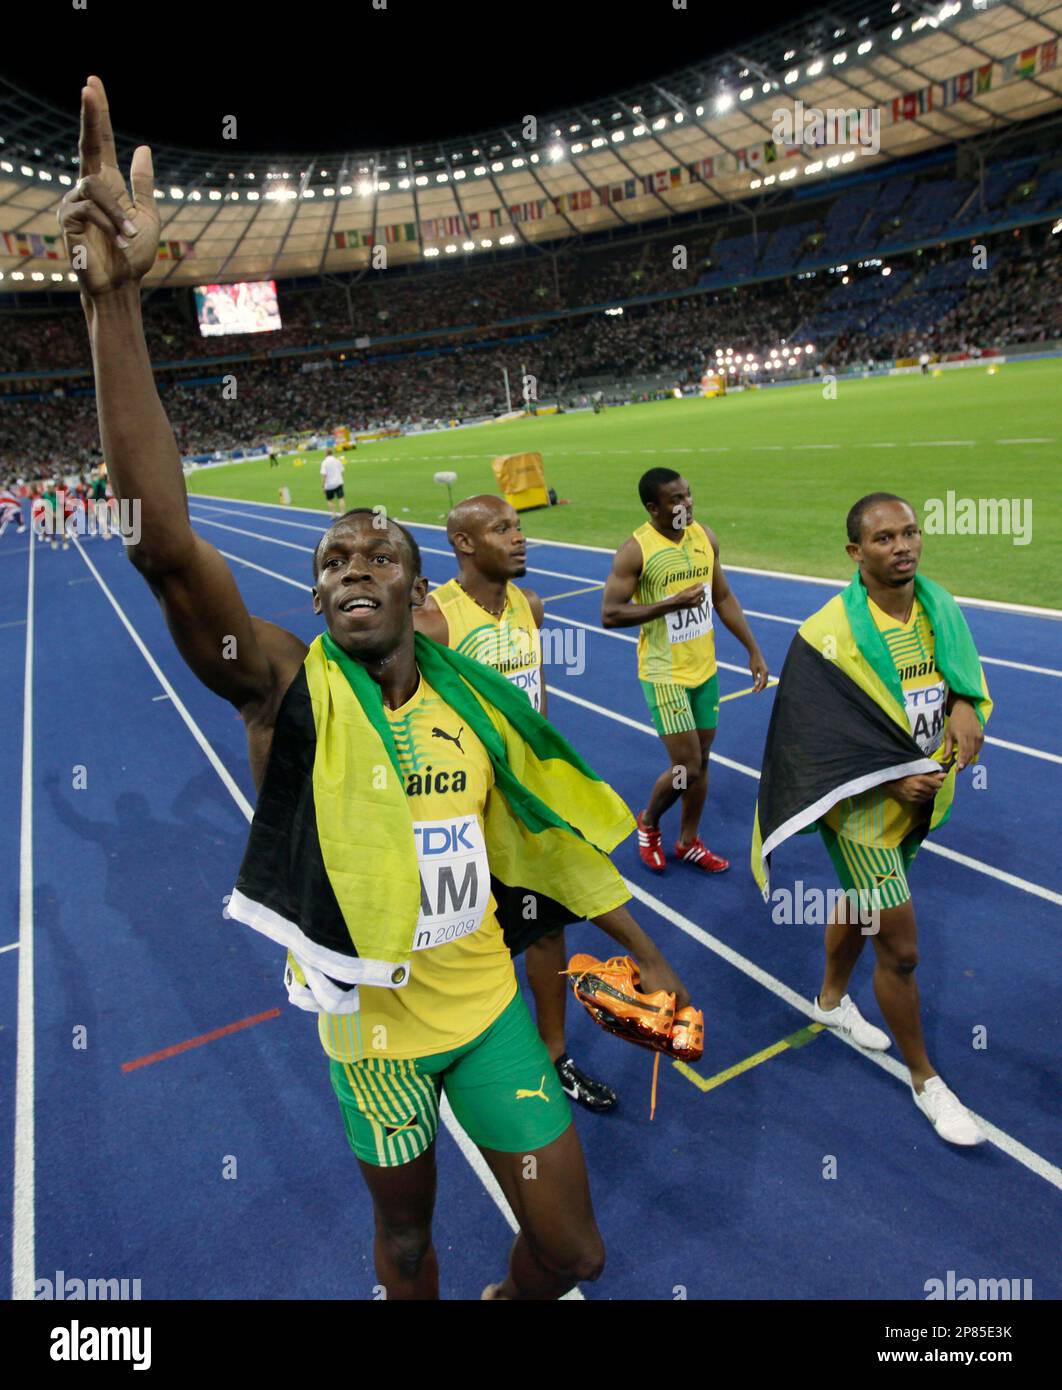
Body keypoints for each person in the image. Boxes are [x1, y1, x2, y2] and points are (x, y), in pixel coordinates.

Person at [61, 76, 691, 1300]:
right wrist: (115, 309)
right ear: (317, 598)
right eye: (331, 561)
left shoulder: (474, 700)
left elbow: (545, 839)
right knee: (404, 1246)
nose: (352, 567)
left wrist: (644, 945)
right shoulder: (284, 690)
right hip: (371, 1033)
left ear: (417, 588)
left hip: (482, 1001)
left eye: (377, 557)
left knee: (574, 1251)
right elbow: (160, 543)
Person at [752, 494, 992, 1145]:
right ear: (855, 553)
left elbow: (955, 680)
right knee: (903, 951)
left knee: (862, 908)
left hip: (920, 800)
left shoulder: (938, 608)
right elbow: (810, 739)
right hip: (861, 817)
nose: (902, 546)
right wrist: (890, 773)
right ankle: (926, 1082)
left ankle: (828, 1001)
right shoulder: (827, 634)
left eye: (910, 532)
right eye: (884, 538)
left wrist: (966, 701)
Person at [415, 494, 617, 1114]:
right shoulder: (437, 620)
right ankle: (468, 1061)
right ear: (464, 544)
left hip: (526, 811)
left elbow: (537, 700)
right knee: (474, 948)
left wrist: (544, 776)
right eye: (502, 528)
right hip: (470, 824)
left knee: (549, 932)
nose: (519, 537)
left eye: (519, 527)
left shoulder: (531, 606)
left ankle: (554, 1057)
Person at [601, 469, 769, 874]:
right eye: (676, 500)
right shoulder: (636, 551)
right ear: (653, 508)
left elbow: (723, 596)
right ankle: (649, 822)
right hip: (665, 675)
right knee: (686, 768)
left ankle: (689, 841)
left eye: (689, 495)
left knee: (703, 761)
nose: (687, 505)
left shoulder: (704, 538)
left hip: (704, 670)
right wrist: (670, 604)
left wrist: (753, 650)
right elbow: (610, 614)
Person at [320, 447, 345, 515]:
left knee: (330, 500)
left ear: (325, 454)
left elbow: (324, 475)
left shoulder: (324, 462)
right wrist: (341, 479)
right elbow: (342, 472)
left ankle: (333, 514)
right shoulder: (337, 460)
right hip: (338, 482)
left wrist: (323, 486)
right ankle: (342, 514)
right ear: (332, 453)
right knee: (341, 498)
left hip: (329, 485)